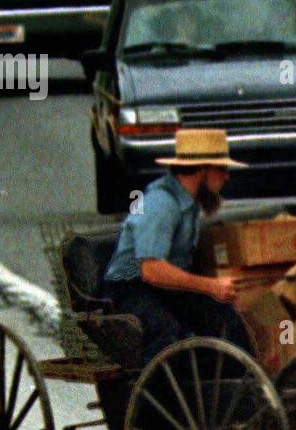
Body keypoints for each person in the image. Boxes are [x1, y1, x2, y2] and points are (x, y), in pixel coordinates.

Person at [101, 128, 251, 367]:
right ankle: (154, 400)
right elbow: (152, 270)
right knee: (166, 335)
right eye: (222, 170)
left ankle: (232, 390)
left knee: (223, 319)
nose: (226, 177)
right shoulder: (161, 204)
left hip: (165, 289)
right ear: (203, 170)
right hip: (131, 290)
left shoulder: (189, 204)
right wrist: (210, 286)